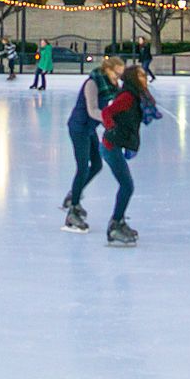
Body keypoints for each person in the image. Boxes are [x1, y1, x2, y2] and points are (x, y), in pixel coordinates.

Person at [61, 56, 124, 233]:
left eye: (120, 74)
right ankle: (72, 210)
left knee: (96, 165)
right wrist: (110, 121)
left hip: (89, 128)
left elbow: (116, 105)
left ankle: (74, 193)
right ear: (107, 69)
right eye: (116, 73)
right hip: (78, 127)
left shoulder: (113, 86)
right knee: (82, 167)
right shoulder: (93, 83)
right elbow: (92, 110)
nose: (118, 77)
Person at [96, 65, 154, 246]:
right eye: (141, 75)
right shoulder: (128, 97)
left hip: (114, 144)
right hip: (110, 145)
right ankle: (115, 225)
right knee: (127, 186)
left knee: (127, 185)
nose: (145, 78)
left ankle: (118, 221)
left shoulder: (135, 95)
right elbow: (106, 112)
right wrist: (111, 128)